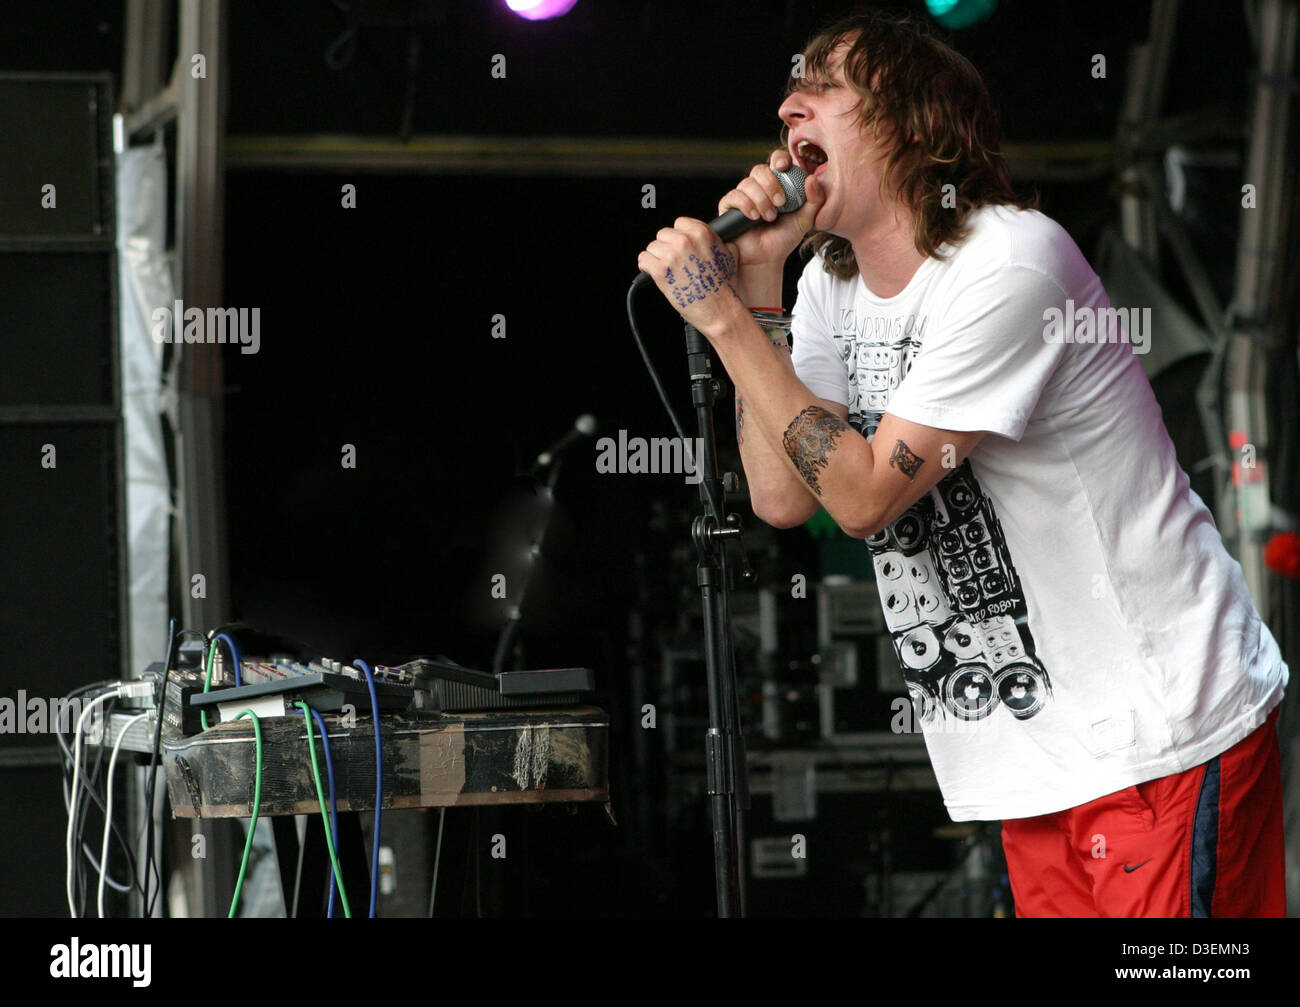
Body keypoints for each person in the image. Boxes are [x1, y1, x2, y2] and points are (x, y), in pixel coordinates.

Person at [636, 9, 1288, 918]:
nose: (790, 106)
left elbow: (863, 497)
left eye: (825, 89)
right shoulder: (828, 281)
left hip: (1164, 726)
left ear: (910, 125)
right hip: (1039, 759)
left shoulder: (1010, 263)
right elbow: (786, 495)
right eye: (791, 95)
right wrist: (756, 286)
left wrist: (725, 325)